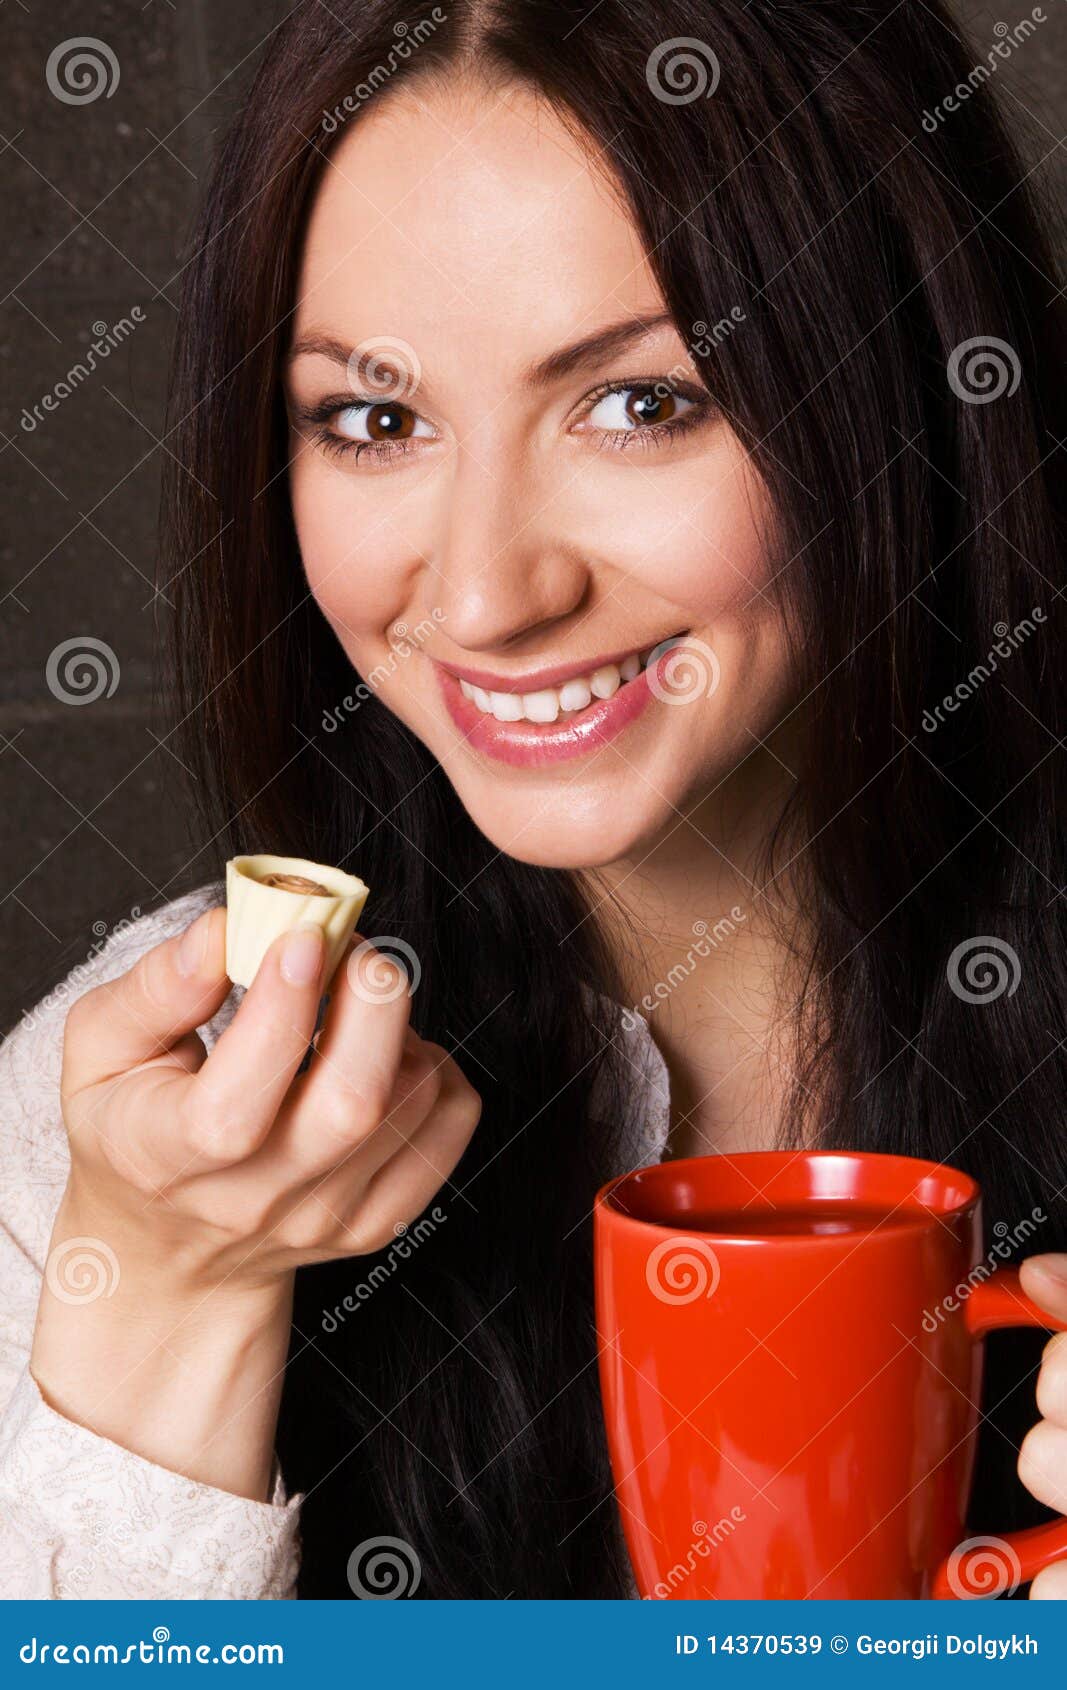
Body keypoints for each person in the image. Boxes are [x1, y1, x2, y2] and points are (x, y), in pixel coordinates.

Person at [2, 0, 1065, 1599]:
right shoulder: (124, 1122)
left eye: (642, 403)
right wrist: (166, 1299)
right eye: (373, 419)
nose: (488, 595)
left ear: (905, 377)